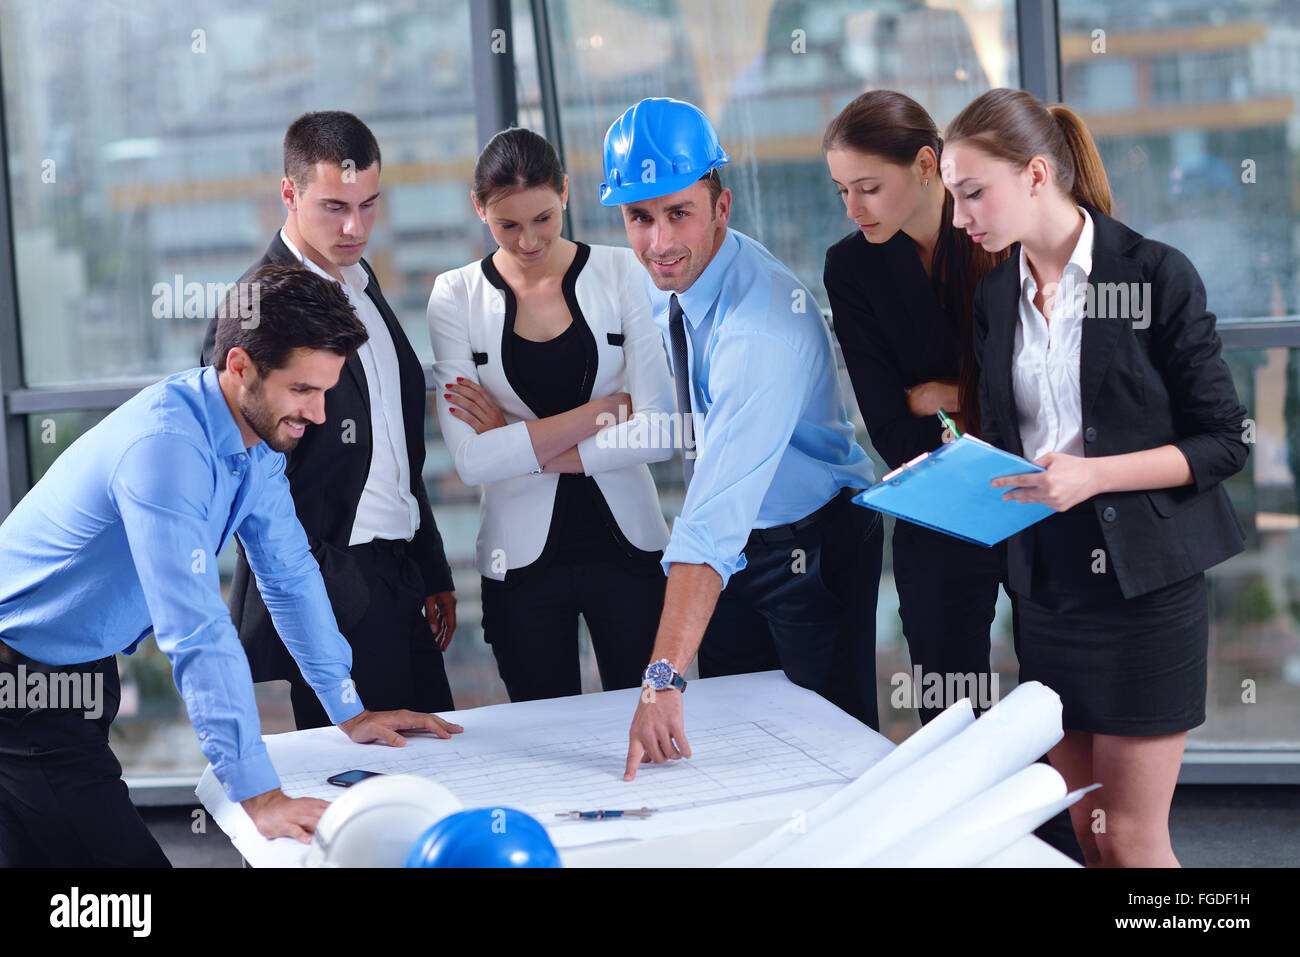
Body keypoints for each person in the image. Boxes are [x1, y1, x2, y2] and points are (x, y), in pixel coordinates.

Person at [0, 264, 463, 866]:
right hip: (24, 682)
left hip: (77, 664)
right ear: (241, 366)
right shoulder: (166, 453)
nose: (319, 414)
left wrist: (348, 708)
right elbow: (196, 631)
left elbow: (290, 573)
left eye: (326, 391)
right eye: (303, 390)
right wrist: (259, 795)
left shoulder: (251, 444)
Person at [944, 88, 1250, 866]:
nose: (959, 217)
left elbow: (1222, 441)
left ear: (1038, 174)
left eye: (973, 192)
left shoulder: (1152, 274)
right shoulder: (993, 294)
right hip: (1048, 590)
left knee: (1138, 838)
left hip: (1144, 590)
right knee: (1088, 831)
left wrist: (1093, 476)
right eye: (953, 196)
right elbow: (1008, 433)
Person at [599, 98, 883, 781]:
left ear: (721, 207)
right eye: (640, 217)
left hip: (810, 548)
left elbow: (709, 524)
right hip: (740, 552)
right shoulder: (684, 277)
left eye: (679, 213)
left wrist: (660, 677)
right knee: (738, 741)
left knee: (829, 756)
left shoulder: (757, 328)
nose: (659, 241)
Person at [200, 111, 458, 729]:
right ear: (288, 193)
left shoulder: (362, 285)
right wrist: (334, 585)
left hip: (397, 576)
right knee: (367, 795)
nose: (355, 227)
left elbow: (396, 446)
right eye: (334, 206)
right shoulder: (254, 311)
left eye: (369, 205)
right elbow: (241, 477)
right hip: (332, 589)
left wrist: (429, 567)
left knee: (444, 764)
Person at [427, 127, 675, 701]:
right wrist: (603, 412)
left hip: (630, 550)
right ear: (478, 209)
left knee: (649, 721)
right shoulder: (454, 295)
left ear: (565, 191)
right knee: (542, 737)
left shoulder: (621, 272)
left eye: (544, 218)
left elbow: (659, 431)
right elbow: (470, 460)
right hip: (519, 564)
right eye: (507, 224)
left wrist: (518, 444)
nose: (529, 240)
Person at [823, 89, 1006, 725]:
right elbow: (894, 431)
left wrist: (948, 394)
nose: (853, 209)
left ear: (926, 165)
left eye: (867, 188)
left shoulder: (996, 230)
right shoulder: (851, 268)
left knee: (1060, 699)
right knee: (950, 711)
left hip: (1038, 484)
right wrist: (984, 394)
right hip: (937, 500)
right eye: (842, 191)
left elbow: (1044, 393)